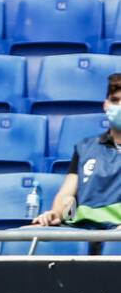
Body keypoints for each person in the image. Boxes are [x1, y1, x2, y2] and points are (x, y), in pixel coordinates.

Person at [32, 71, 121, 229]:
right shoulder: (85, 148)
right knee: (26, 233)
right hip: (81, 230)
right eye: (115, 100)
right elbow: (67, 195)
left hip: (116, 233)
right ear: (105, 105)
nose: (120, 107)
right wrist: (56, 213)